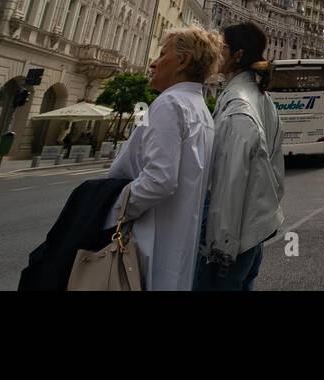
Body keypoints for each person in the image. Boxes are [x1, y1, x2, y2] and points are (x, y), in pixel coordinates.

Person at [105, 26, 217, 290]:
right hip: (176, 246)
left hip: (147, 242)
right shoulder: (200, 109)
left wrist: (111, 209)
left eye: (162, 54)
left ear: (183, 60)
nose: (154, 63)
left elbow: (160, 180)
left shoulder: (170, 104)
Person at [197, 22, 284, 292]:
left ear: (237, 54)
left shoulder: (238, 107)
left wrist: (220, 250)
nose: (216, 51)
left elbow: (229, 185)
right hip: (251, 234)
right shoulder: (261, 97)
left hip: (232, 240)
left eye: (222, 46)